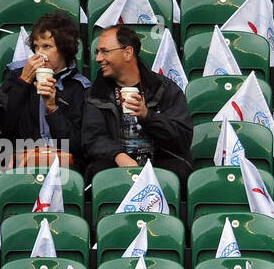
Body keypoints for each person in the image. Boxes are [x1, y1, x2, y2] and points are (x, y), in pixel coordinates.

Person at [80, 24, 193, 183]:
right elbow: (92, 139)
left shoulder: (164, 88)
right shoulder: (96, 94)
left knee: (177, 173)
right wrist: (119, 156)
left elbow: (182, 137)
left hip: (160, 160)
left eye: (105, 51)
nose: (98, 58)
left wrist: (148, 116)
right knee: (99, 173)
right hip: (115, 161)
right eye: (97, 52)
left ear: (127, 53)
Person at [0, 11, 89, 167]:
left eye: (47, 47)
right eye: (36, 47)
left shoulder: (79, 86)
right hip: (20, 156)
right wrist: (23, 81)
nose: (40, 54)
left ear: (64, 49)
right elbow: (3, 125)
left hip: (62, 161)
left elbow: (75, 144)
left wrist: (52, 108)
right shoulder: (17, 76)